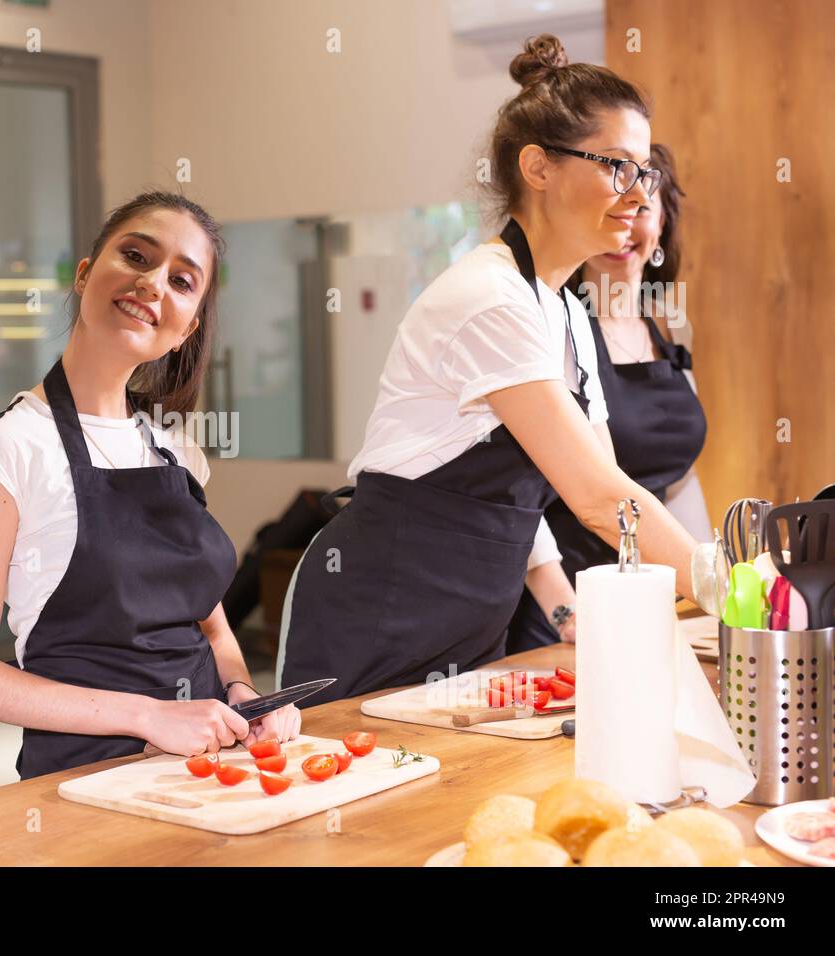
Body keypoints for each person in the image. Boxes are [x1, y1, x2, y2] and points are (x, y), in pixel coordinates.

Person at [277, 35, 702, 704]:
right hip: (378, 612)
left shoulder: (562, 311)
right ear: (538, 168)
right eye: (618, 166)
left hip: (473, 621)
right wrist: (726, 583)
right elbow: (596, 499)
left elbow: (588, 486)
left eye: (645, 171)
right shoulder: (489, 297)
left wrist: (567, 607)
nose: (639, 195)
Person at [0, 191, 300, 780]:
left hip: (206, 770)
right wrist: (149, 717)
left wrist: (241, 693)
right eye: (136, 255)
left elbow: (210, 623)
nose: (153, 283)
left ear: (188, 329)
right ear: (84, 276)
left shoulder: (177, 451)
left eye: (183, 281)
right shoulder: (7, 450)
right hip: (84, 780)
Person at [508, 143, 710, 651]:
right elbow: (516, 483)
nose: (625, 225)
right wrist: (563, 609)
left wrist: (706, 583)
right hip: (558, 606)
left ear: (662, 222)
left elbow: (680, 480)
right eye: (612, 208)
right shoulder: (553, 327)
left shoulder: (669, 333)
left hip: (644, 598)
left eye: (642, 208)